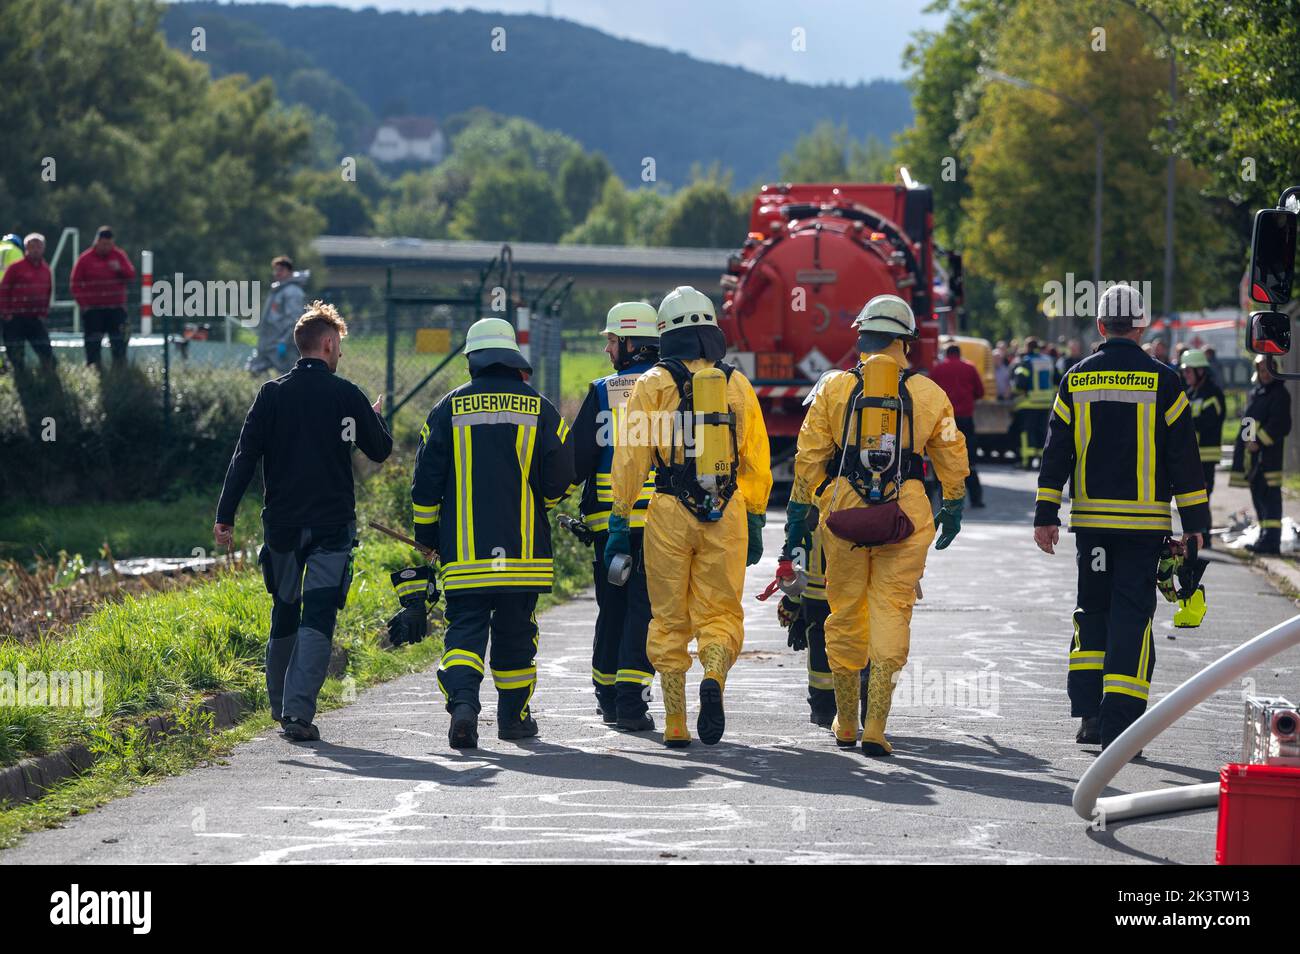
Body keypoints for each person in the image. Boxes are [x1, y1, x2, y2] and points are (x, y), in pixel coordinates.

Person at [788, 294, 969, 756]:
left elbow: (809, 455)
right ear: (905, 340)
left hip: (845, 510)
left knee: (845, 613)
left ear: (862, 337)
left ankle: (844, 722)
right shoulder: (928, 394)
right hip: (905, 514)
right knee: (891, 611)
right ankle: (876, 727)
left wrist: (797, 513)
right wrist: (953, 503)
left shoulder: (834, 388)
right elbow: (950, 451)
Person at [1034, 285, 1208, 749]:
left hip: (1091, 525)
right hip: (1142, 529)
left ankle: (1090, 718)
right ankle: (1122, 724)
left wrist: (1045, 514)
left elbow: (1056, 453)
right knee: (1132, 618)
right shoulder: (1165, 380)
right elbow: (1184, 460)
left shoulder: (1076, 378)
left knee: (1092, 614)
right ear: (1141, 325)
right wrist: (1196, 526)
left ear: (1099, 326)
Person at [214, 302, 392, 741]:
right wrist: (374, 414)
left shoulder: (271, 395)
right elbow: (381, 450)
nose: (341, 354)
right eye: (340, 346)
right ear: (328, 344)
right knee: (319, 613)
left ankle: (279, 705)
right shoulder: (347, 395)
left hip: (283, 525)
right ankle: (297, 713)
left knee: (285, 608)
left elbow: (244, 456)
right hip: (332, 525)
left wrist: (225, 516)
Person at [608, 286, 772, 748]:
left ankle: (676, 722)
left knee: (668, 617)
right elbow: (757, 456)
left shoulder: (653, 384)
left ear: (665, 334)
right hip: (728, 511)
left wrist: (620, 520)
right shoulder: (736, 384)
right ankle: (714, 679)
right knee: (719, 612)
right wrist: (755, 517)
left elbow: (631, 457)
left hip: (668, 512)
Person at [411, 318, 574, 749]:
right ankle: (514, 719)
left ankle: (464, 706)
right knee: (517, 633)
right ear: (512, 358)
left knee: (465, 630)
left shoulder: (447, 408)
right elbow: (564, 476)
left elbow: (426, 484)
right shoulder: (540, 408)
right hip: (523, 555)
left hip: (465, 555)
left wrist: (426, 537)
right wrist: (544, 504)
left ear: (473, 361)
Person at [569, 301, 660, 731]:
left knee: (613, 611)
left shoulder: (603, 391)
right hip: (663, 527)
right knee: (645, 613)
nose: (608, 349)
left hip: (610, 526)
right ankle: (633, 705)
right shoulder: (674, 387)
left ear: (629, 342)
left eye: (611, 340)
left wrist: (548, 505)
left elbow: (576, 461)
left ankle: (609, 700)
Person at [1230, 355, 1291, 555]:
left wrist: (1259, 441)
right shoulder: (1257, 393)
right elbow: (1250, 421)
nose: (1264, 374)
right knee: (1259, 498)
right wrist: (1247, 442)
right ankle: (1264, 536)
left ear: (1275, 369)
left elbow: (1281, 424)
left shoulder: (1279, 394)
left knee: (1270, 499)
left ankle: (1272, 541)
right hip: (1254, 458)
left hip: (1270, 457)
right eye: (1261, 370)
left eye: (1268, 369)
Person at [929, 341, 985, 507]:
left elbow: (931, 393)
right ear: (959, 353)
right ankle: (976, 499)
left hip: (947, 421)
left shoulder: (938, 369)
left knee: (947, 458)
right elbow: (980, 392)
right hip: (966, 418)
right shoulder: (969, 368)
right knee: (969, 458)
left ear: (946, 354)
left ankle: (945, 498)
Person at [71, 226, 136, 367]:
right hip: (93, 310)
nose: (107, 247)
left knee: (119, 342)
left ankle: (120, 371)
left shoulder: (119, 255)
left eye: (109, 244)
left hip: (116, 309)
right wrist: (85, 305)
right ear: (97, 242)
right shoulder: (85, 258)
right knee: (93, 344)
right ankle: (94, 371)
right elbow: (75, 284)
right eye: (104, 244)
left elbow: (131, 275)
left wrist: (119, 269)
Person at [1180, 349, 1225, 546]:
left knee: (1204, 495)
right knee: (1196, 495)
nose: (1185, 375)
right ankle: (1200, 534)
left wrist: (1187, 424)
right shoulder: (1191, 393)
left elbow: (1208, 422)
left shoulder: (1213, 394)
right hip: (1193, 455)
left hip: (1206, 455)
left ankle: (1204, 536)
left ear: (1200, 371)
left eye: (1189, 371)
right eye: (1185, 372)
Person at [0, 233, 56, 371]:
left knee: (46, 353)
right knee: (16, 355)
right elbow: (4, 290)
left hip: (35, 318)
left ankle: (48, 382)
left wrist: (44, 312)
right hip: (15, 318)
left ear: (43, 248)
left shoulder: (45, 269)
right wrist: (6, 313)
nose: (36, 249)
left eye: (39, 246)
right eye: (32, 246)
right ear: (26, 248)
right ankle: (21, 382)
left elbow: (48, 290)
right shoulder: (15, 267)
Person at [248, 256, 307, 376]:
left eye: (281, 270)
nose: (277, 273)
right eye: (275, 270)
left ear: (289, 272)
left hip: (283, 344)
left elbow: (295, 320)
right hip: (268, 344)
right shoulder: (278, 289)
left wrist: (285, 342)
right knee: (254, 370)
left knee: (290, 377)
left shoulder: (292, 292)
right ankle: (262, 394)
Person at [1011, 337, 1054, 468]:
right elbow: (1058, 378)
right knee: (1042, 432)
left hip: (1029, 403)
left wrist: (1015, 390)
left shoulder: (1026, 362)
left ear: (1028, 348)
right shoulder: (1048, 361)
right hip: (1046, 403)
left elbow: (1020, 383)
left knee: (1027, 432)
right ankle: (1042, 462)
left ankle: (1027, 461)